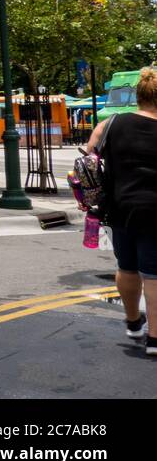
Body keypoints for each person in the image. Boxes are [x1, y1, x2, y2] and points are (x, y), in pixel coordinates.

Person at [84, 66, 157, 355]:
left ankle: (133, 321)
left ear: (137, 95)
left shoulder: (111, 124)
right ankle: (155, 338)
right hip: (156, 211)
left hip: (119, 206)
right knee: (153, 273)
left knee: (127, 267)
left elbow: (88, 158)